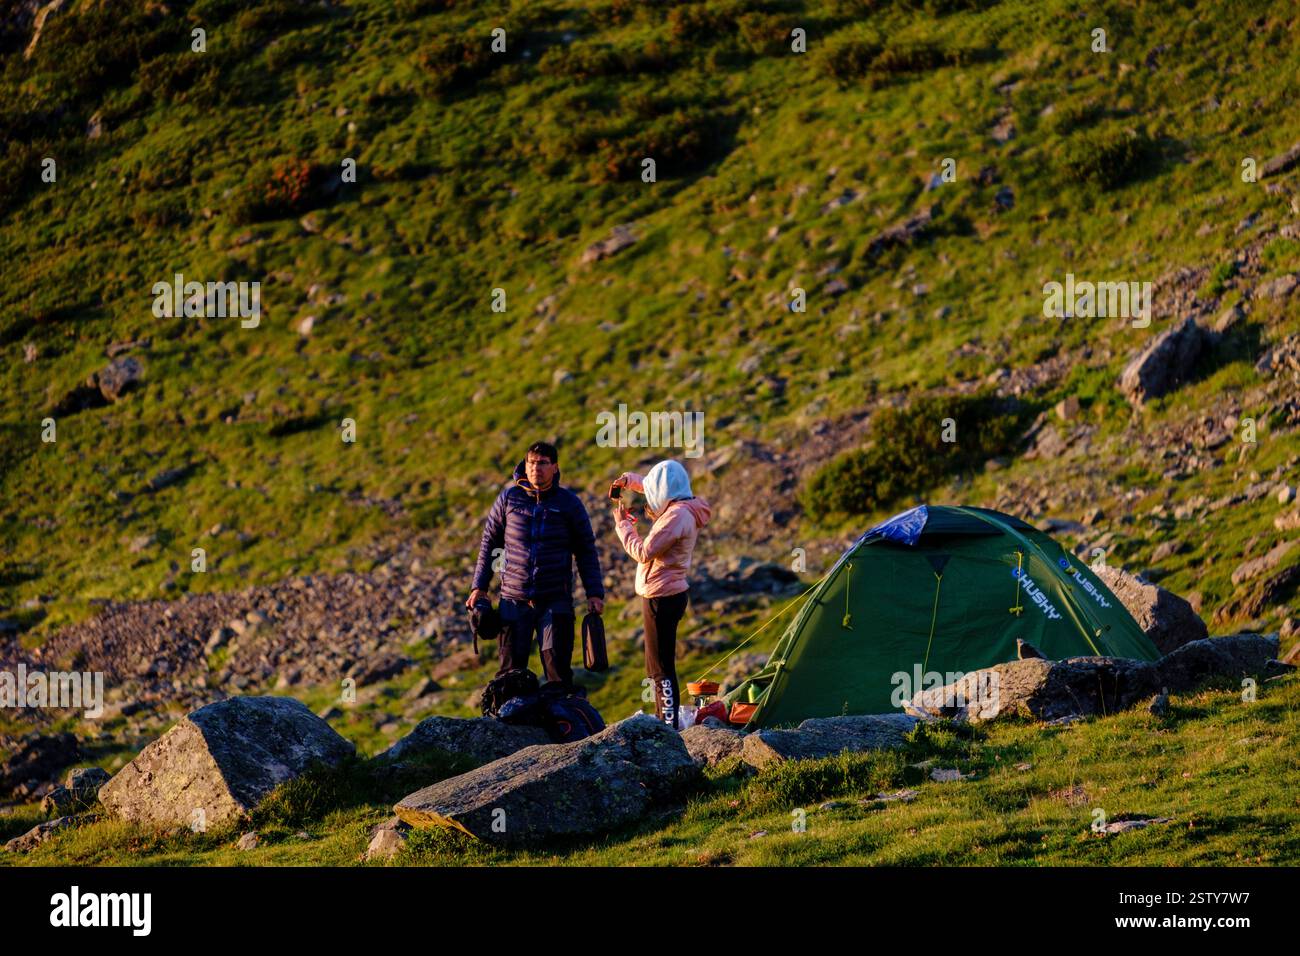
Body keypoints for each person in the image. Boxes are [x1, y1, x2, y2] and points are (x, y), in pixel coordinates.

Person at [468, 442, 604, 688]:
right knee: (509, 674)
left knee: (558, 672)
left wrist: (594, 593)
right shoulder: (509, 498)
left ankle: (562, 723)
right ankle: (507, 724)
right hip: (513, 600)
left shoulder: (569, 504)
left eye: (542, 463)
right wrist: (479, 586)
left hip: (555, 602)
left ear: (555, 467)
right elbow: (489, 543)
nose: (535, 469)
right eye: (531, 463)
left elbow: (586, 550)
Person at [611, 459, 711, 729]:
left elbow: (643, 552)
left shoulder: (675, 517)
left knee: (659, 669)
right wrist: (629, 480)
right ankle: (665, 720)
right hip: (669, 593)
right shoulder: (684, 506)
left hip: (661, 597)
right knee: (660, 665)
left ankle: (667, 725)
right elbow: (657, 488)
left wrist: (623, 525)